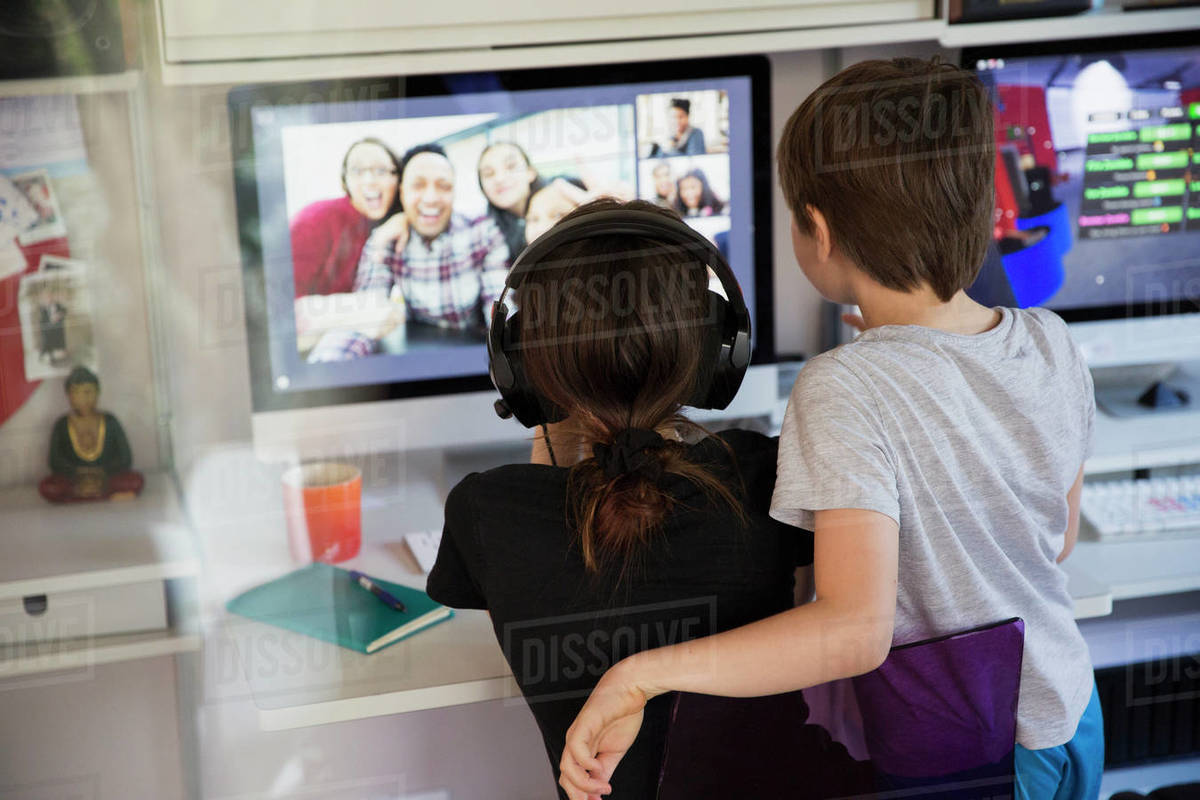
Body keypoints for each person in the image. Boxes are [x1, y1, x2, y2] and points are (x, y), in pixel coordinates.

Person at [559, 58, 1101, 800]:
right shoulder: (1050, 339)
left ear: (818, 231)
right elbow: (1056, 538)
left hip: (973, 759)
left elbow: (852, 631)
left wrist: (639, 676)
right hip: (1069, 717)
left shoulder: (843, 386)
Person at [425, 199, 876, 799]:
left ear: (520, 364)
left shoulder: (484, 512)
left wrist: (547, 413)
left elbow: (534, 581)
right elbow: (800, 609)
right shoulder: (765, 473)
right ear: (716, 349)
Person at [305, 143, 509, 360]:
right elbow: (365, 317)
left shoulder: (482, 233)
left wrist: (507, 358)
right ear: (402, 192)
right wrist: (330, 365)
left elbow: (501, 308)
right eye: (418, 185)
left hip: (475, 355)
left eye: (444, 186)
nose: (430, 198)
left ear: (454, 192)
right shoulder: (386, 240)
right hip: (419, 355)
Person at [289, 137, 402, 297]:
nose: (369, 181)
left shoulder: (407, 224)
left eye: (381, 170)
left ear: (399, 179)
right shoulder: (314, 221)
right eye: (357, 171)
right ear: (345, 181)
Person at [39, 366, 143, 503]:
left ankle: (75, 498)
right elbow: (55, 461)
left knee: (135, 480)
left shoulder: (110, 421)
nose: (82, 398)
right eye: (76, 392)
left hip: (106, 477)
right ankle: (105, 496)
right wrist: (79, 473)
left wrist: (101, 472)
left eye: (88, 392)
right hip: (74, 479)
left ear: (98, 392)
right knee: (49, 486)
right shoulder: (62, 425)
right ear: (68, 395)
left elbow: (125, 458)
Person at [477, 141, 544, 259]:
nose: (499, 179)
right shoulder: (486, 233)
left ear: (531, 172)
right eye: (489, 174)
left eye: (511, 166)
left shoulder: (565, 199)